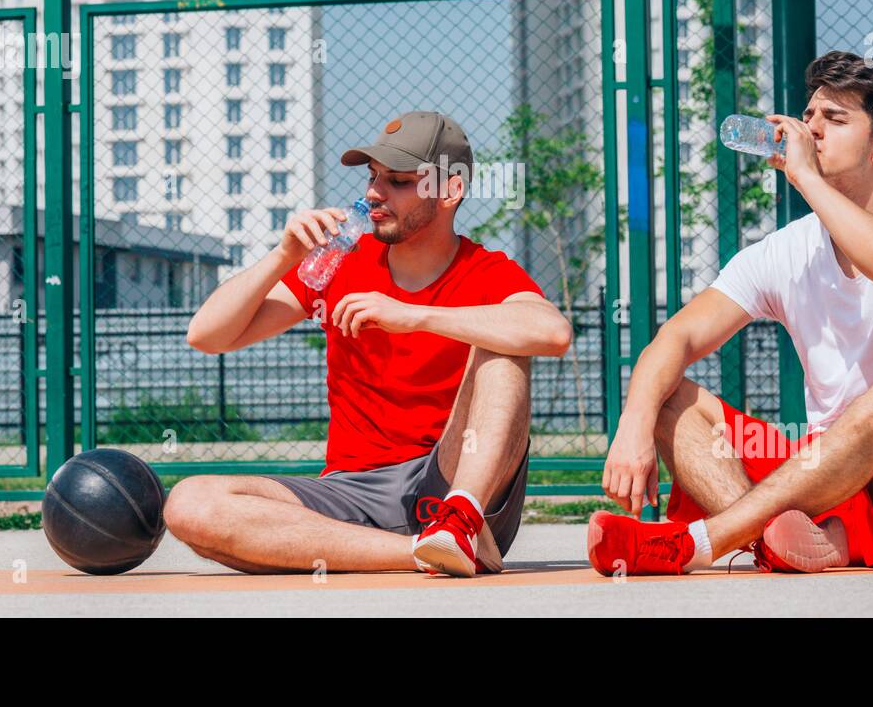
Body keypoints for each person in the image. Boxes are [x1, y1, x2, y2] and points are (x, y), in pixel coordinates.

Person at [589, 51, 873, 575]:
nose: (811, 129)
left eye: (835, 119)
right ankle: (772, 543)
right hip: (820, 483)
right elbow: (677, 338)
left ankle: (695, 544)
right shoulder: (783, 250)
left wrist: (807, 180)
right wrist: (633, 425)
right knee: (667, 397)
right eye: (809, 116)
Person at [166, 111, 571, 577]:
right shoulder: (341, 261)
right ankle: (425, 551)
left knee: (506, 343)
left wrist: (414, 316)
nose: (374, 193)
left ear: (449, 191)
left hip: (452, 478)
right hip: (349, 490)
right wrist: (284, 256)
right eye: (373, 178)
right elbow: (207, 334)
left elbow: (552, 332)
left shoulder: (484, 270)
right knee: (190, 503)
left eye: (398, 181)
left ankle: (458, 524)